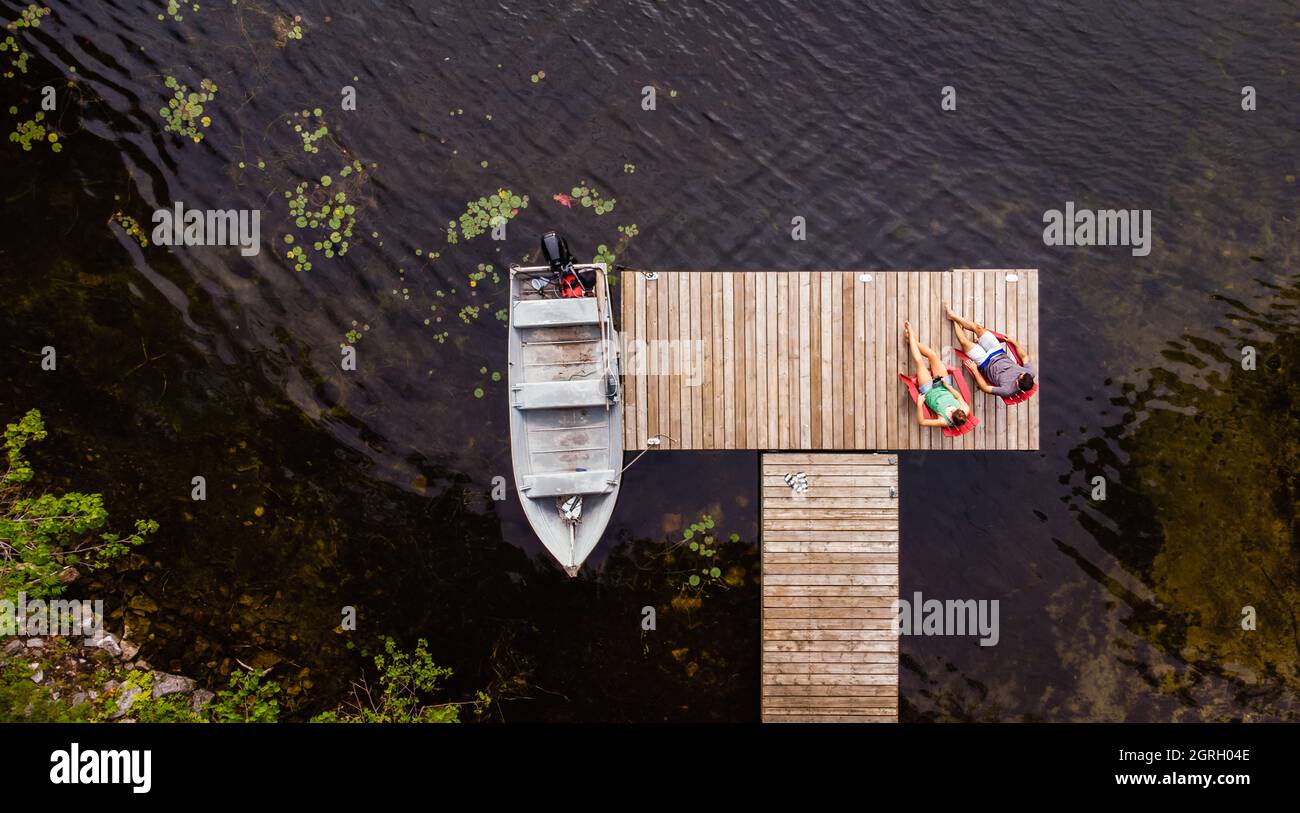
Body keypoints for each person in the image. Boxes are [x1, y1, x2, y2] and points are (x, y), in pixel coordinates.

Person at [944, 303, 1036, 398]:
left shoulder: (1007, 390)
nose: (1020, 373)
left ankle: (955, 321)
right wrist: (1015, 342)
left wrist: (975, 370)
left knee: (964, 342)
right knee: (979, 328)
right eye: (1022, 373)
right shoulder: (1030, 373)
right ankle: (953, 316)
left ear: (1017, 384)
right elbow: (1024, 357)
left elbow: (985, 388)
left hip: (985, 362)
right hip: (998, 352)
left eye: (1019, 376)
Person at [904, 320, 970, 429]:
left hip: (929, 390)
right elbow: (958, 396)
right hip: (944, 385)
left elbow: (923, 422)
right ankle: (912, 341)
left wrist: (920, 404)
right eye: (956, 408)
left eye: (952, 411)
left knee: (919, 362)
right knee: (932, 355)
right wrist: (948, 387)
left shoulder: (944, 420)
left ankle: (911, 334)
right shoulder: (965, 410)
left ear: (951, 419)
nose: (953, 408)